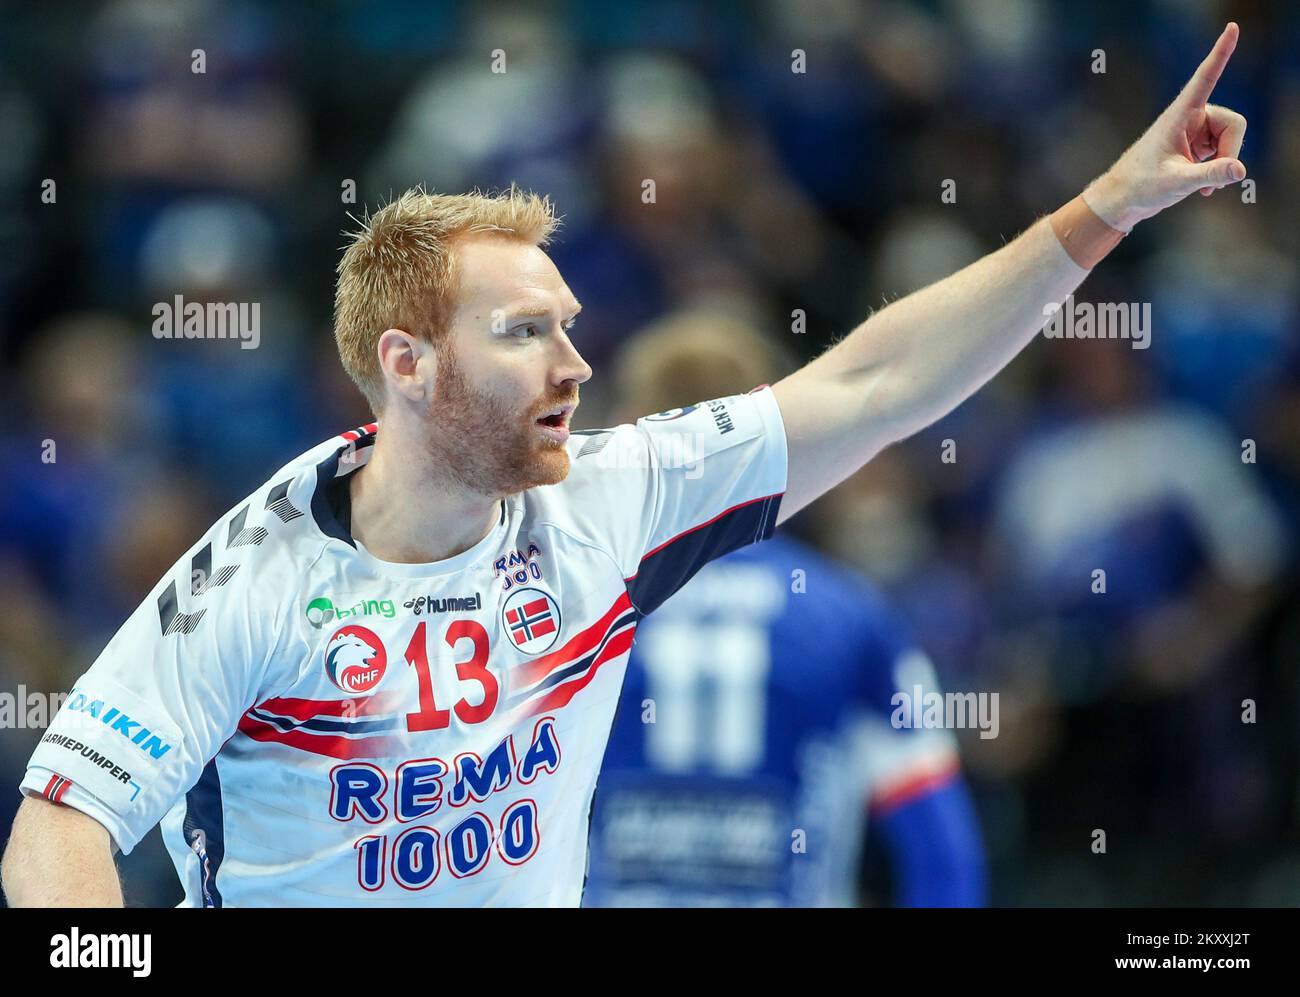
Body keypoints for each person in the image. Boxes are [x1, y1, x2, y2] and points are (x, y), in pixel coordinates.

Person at [1, 25, 1249, 906]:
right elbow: (58, 827)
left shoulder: (607, 495)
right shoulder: (254, 575)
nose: (573, 367)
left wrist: (1104, 209)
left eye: (570, 327)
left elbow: (875, 384)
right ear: (409, 363)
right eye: (523, 334)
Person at [583, 313, 986, 907]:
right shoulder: (850, 615)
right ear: (775, 439)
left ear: (631, 435)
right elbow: (941, 849)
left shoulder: (576, 608)